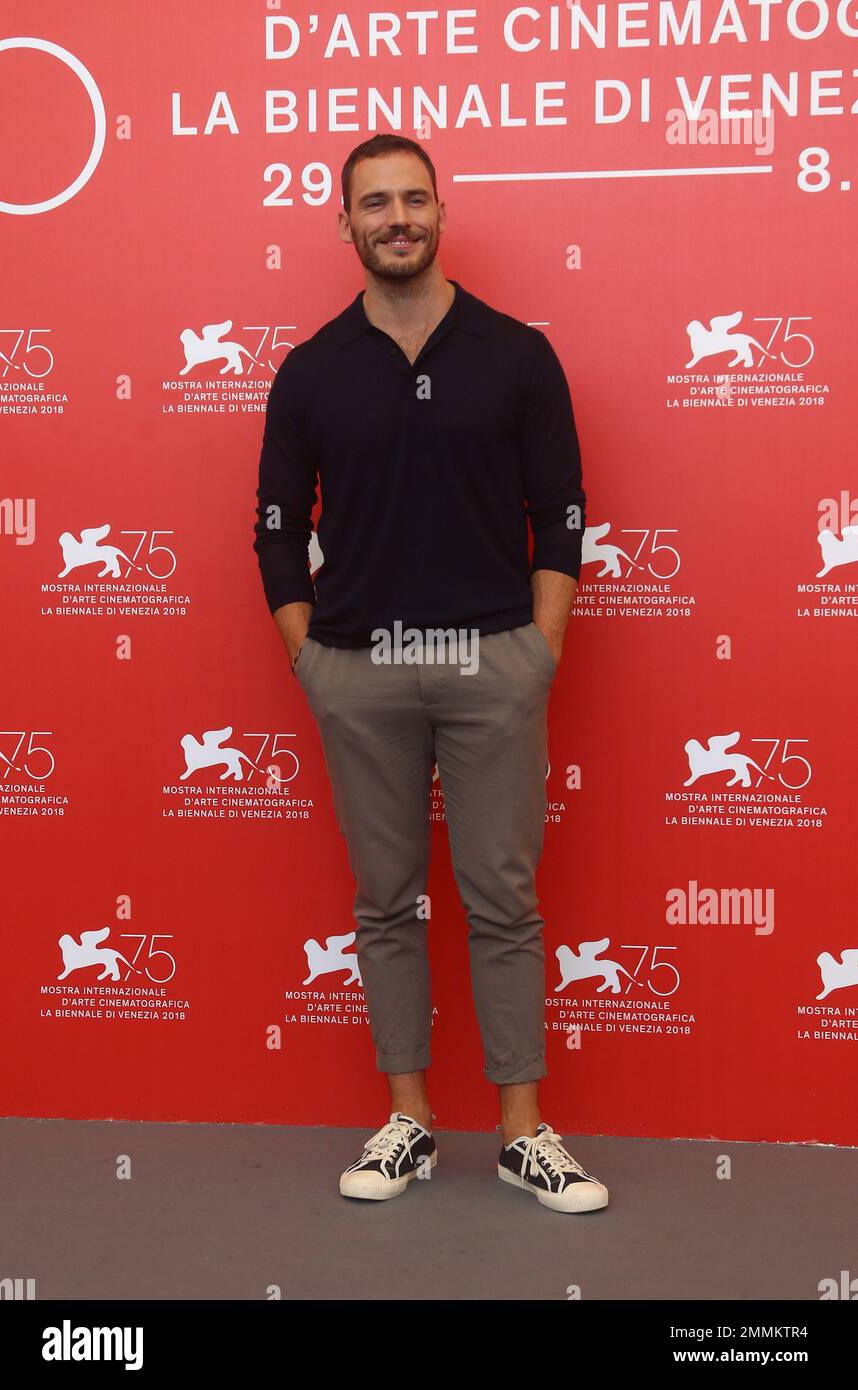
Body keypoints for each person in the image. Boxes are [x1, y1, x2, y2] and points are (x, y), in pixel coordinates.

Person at [253, 134, 608, 1215]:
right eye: (375, 203)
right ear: (345, 223)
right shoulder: (312, 368)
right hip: (359, 671)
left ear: (441, 213)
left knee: (503, 901)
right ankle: (407, 1122)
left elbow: (560, 513)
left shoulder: (515, 355)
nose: (396, 218)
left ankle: (522, 1133)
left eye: (413, 198)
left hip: (490, 661)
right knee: (385, 903)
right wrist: (311, 661)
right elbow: (277, 529)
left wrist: (538, 652)